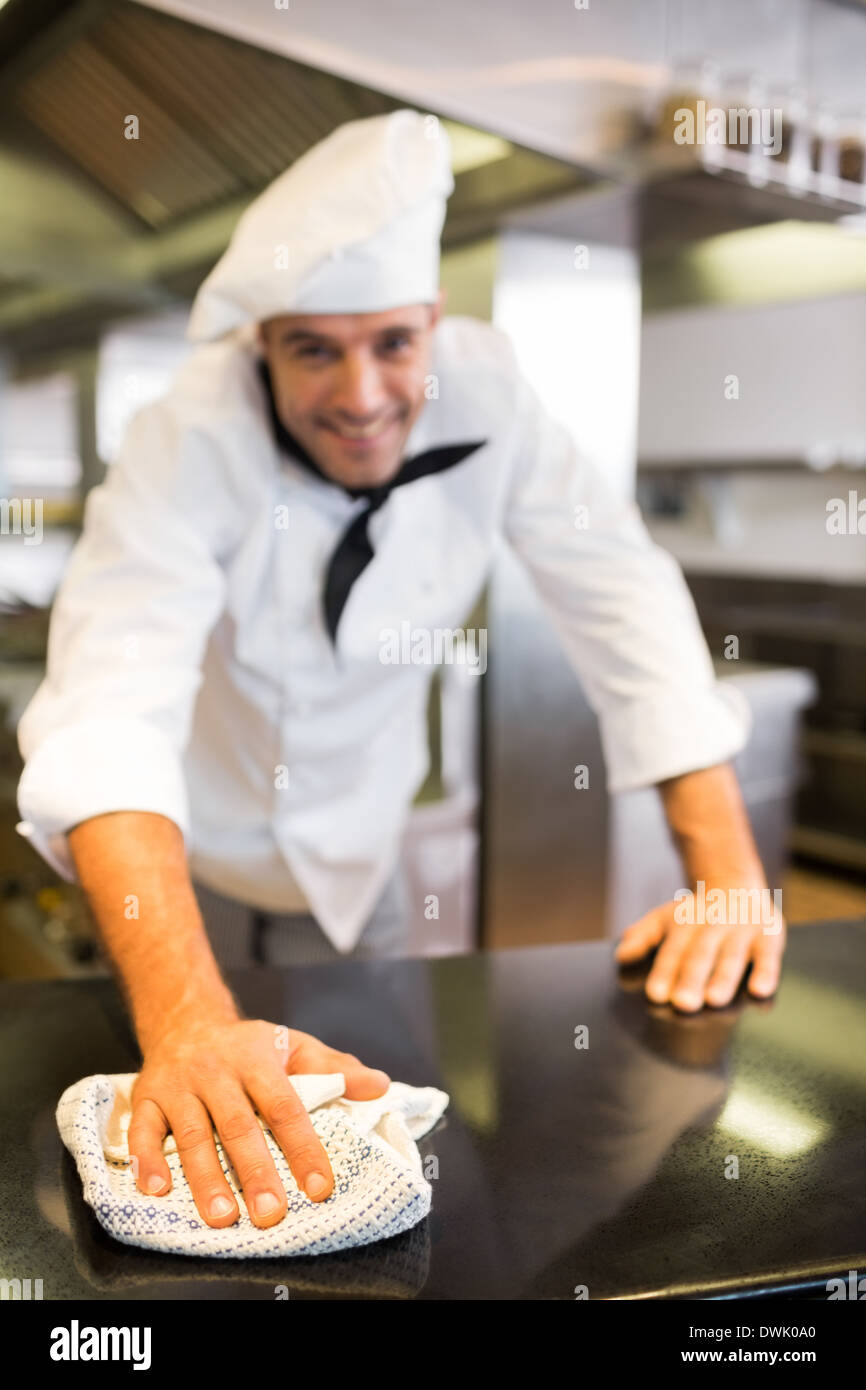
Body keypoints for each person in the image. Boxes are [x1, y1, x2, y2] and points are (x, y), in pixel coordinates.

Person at [15, 109, 785, 1232]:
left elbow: (618, 590)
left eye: (392, 343)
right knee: (222, 1194)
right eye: (313, 348)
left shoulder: (493, 393)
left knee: (396, 1175)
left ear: (434, 321)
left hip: (366, 867)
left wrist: (720, 862)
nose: (362, 394)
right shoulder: (186, 437)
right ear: (260, 343)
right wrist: (186, 1015)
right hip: (195, 872)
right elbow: (108, 702)